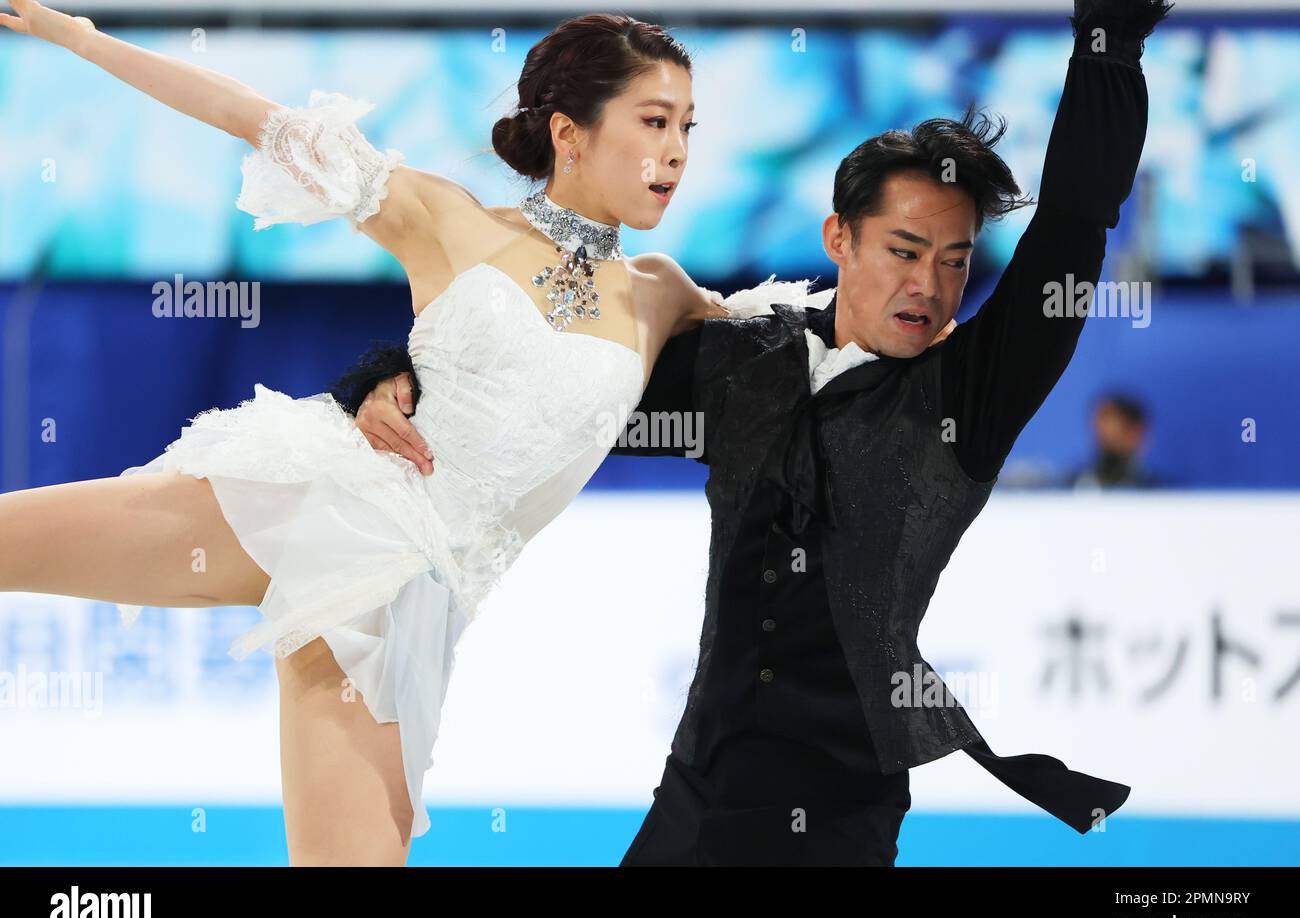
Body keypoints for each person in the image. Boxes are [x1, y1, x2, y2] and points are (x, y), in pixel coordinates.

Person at [344, 0, 1172, 865]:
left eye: (955, 260)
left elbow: (1074, 225)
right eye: (904, 249)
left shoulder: (972, 391)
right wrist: (390, 380)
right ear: (838, 238)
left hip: (838, 817)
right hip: (696, 788)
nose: (930, 283)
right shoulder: (743, 362)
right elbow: (551, 383)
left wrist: (1108, 45)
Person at [0, 7, 735, 864]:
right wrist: (86, 41)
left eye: (687, 126)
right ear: (570, 132)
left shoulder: (661, 292)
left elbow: (809, 336)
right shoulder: (451, 219)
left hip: (410, 598)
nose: (678, 150)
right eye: (654, 121)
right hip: (321, 494)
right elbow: (251, 115)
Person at [1069, 392, 1162, 488]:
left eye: (1107, 418)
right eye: (1098, 420)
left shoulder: (1158, 491)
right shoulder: (1075, 483)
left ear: (1135, 431)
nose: (1099, 428)